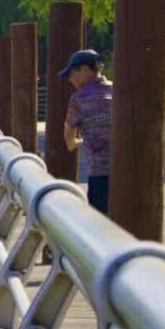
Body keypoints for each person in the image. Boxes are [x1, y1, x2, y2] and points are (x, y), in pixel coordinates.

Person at [60, 49, 113, 212]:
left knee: (100, 223)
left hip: (100, 172)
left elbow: (69, 129)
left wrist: (72, 143)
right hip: (127, 169)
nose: (70, 79)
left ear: (85, 69)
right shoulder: (117, 90)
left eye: (72, 72)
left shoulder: (79, 98)